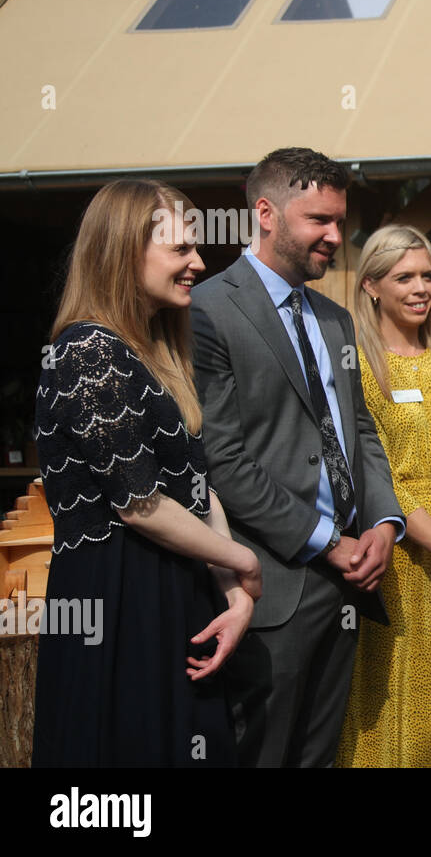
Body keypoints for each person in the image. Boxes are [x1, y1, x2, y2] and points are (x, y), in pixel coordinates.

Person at [33, 179, 261, 767]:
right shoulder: (86, 351)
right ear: (122, 251)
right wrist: (243, 561)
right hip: (115, 602)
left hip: (177, 592)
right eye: (181, 249)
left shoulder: (157, 350)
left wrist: (232, 595)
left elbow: (196, 484)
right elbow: (139, 503)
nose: (198, 261)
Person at [191, 147, 405, 768]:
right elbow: (222, 459)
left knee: (318, 755)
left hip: (348, 578)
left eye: (339, 222)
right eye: (318, 221)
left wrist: (385, 523)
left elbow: (358, 431)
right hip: (269, 583)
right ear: (265, 212)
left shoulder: (335, 320)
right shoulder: (207, 310)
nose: (335, 237)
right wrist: (325, 541)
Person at [336, 224, 431, 768]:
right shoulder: (358, 370)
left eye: (427, 275)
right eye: (404, 276)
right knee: (389, 705)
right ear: (373, 286)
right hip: (397, 561)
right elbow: (382, 483)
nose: (421, 287)